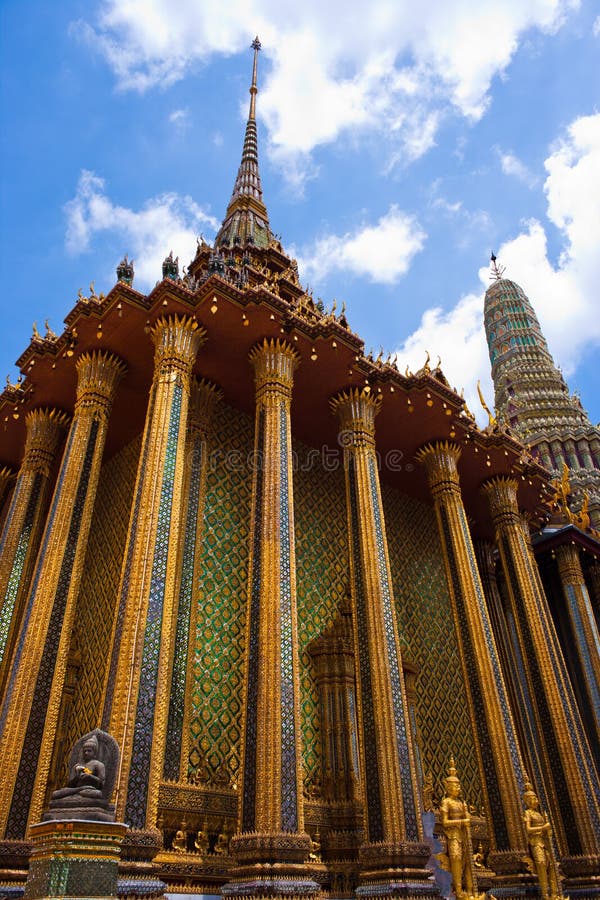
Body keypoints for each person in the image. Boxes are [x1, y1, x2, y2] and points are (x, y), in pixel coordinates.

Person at [439, 758, 474, 899]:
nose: (459, 788)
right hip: (453, 835)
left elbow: (468, 819)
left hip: (463, 835)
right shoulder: (445, 802)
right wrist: (462, 821)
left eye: (459, 786)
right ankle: (458, 890)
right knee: (456, 858)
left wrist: (466, 814)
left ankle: (470, 890)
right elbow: (445, 822)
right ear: (448, 787)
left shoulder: (460, 803)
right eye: (456, 786)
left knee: (467, 861)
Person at [523, 782, 560, 899]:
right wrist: (542, 828)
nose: (536, 801)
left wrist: (547, 830)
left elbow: (546, 829)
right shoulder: (527, 813)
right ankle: (544, 893)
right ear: (527, 801)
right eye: (533, 799)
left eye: (535, 798)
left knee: (552, 865)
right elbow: (528, 829)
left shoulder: (539, 814)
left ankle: (554, 893)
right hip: (535, 841)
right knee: (541, 864)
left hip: (544, 841)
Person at [51, 736, 105, 800]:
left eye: (89, 751)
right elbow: (70, 785)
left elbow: (102, 784)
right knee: (55, 794)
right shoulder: (77, 766)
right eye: (84, 751)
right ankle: (79, 790)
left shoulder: (98, 765)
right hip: (76, 789)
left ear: (95, 753)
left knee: (97, 793)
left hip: (90, 790)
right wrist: (77, 776)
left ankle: (79, 792)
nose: (86, 753)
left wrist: (90, 777)